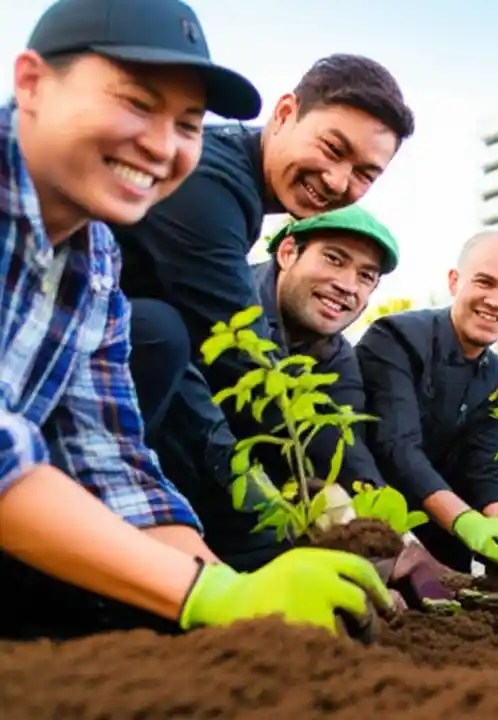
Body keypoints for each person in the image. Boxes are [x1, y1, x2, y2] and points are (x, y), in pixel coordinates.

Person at [0, 0, 389, 640]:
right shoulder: (208, 201)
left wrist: (237, 597)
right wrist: (203, 590)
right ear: (31, 83)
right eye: (135, 103)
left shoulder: (95, 252)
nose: (161, 146)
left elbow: (109, 453)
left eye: (187, 123)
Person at [111, 51, 415, 497]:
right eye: (333, 149)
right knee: (160, 333)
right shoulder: (210, 186)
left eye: (364, 174)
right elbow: (244, 358)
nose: (337, 181)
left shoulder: (241, 190)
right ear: (285, 113)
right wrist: (265, 504)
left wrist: (371, 500)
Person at [178, 204, 400, 570]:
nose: (347, 285)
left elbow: (344, 450)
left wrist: (396, 537)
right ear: (287, 253)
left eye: (366, 276)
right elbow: (201, 422)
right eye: (333, 259)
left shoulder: (336, 355)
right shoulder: (227, 303)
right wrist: (273, 521)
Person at [357, 231, 498, 572]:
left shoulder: (493, 372)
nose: (497, 300)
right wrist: (468, 524)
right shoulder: (394, 338)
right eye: (485, 283)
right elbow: (397, 448)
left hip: (438, 522)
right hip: (371, 515)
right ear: (454, 281)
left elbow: (486, 460)